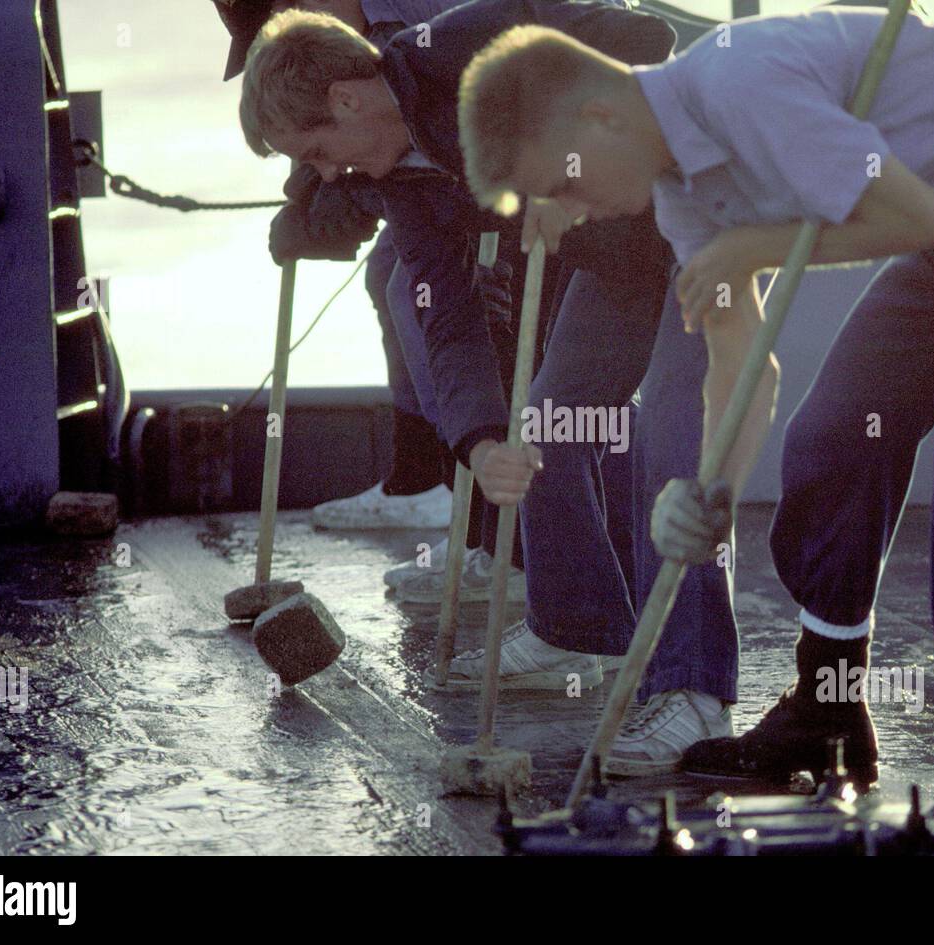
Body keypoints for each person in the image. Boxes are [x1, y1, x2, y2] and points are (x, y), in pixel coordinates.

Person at [457, 5, 934, 853]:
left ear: (598, 118)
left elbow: (918, 218)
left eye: (562, 183)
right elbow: (742, 372)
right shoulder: (681, 198)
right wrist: (704, 497)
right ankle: (830, 711)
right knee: (834, 438)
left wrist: (752, 247)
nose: (569, 210)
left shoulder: (740, 84)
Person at [237, 1, 742, 774]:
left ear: (345, 100)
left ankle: (698, 695)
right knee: (541, 423)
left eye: (317, 150)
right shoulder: (405, 183)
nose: (325, 172)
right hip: (618, 252)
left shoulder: (462, 43)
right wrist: (478, 440)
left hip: (700, 209)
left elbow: (646, 36)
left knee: (676, 428)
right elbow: (450, 323)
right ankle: (578, 629)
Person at [213, 0, 527, 603]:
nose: (284, 29)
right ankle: (434, 479)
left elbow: (394, 101)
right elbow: (358, 129)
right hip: (429, 170)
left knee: (435, 299)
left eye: (281, 14)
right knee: (408, 286)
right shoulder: (342, 66)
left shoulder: (424, 25)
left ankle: (490, 525)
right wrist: (309, 205)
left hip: (525, 180)